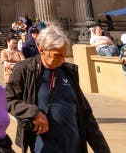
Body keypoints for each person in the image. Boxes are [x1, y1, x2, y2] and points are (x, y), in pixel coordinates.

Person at [6, 25, 110, 153]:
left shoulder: (68, 72)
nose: (62, 60)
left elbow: (86, 115)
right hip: (44, 146)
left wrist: (103, 149)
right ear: (41, 49)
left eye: (64, 55)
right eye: (57, 55)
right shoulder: (25, 69)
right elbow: (7, 100)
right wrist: (33, 112)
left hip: (74, 145)